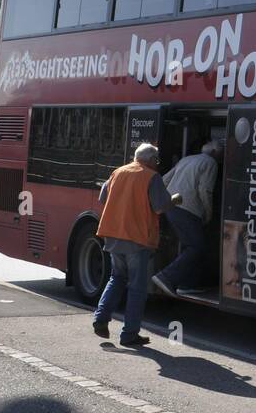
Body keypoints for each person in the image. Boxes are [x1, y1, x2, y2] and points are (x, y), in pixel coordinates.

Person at [93, 143, 176, 347]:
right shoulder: (150, 176)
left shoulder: (118, 172)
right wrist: (175, 199)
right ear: (150, 160)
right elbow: (160, 206)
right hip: (137, 239)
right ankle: (129, 334)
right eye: (156, 160)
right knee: (137, 288)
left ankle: (101, 318)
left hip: (113, 235)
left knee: (116, 278)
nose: (157, 164)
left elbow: (103, 197)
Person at [152, 139, 222, 294]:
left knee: (188, 245)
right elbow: (205, 191)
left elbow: (164, 180)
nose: (222, 157)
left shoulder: (187, 159)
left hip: (171, 207)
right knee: (198, 246)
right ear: (215, 153)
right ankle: (166, 276)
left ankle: (186, 285)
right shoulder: (211, 163)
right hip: (189, 210)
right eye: (221, 153)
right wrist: (208, 213)